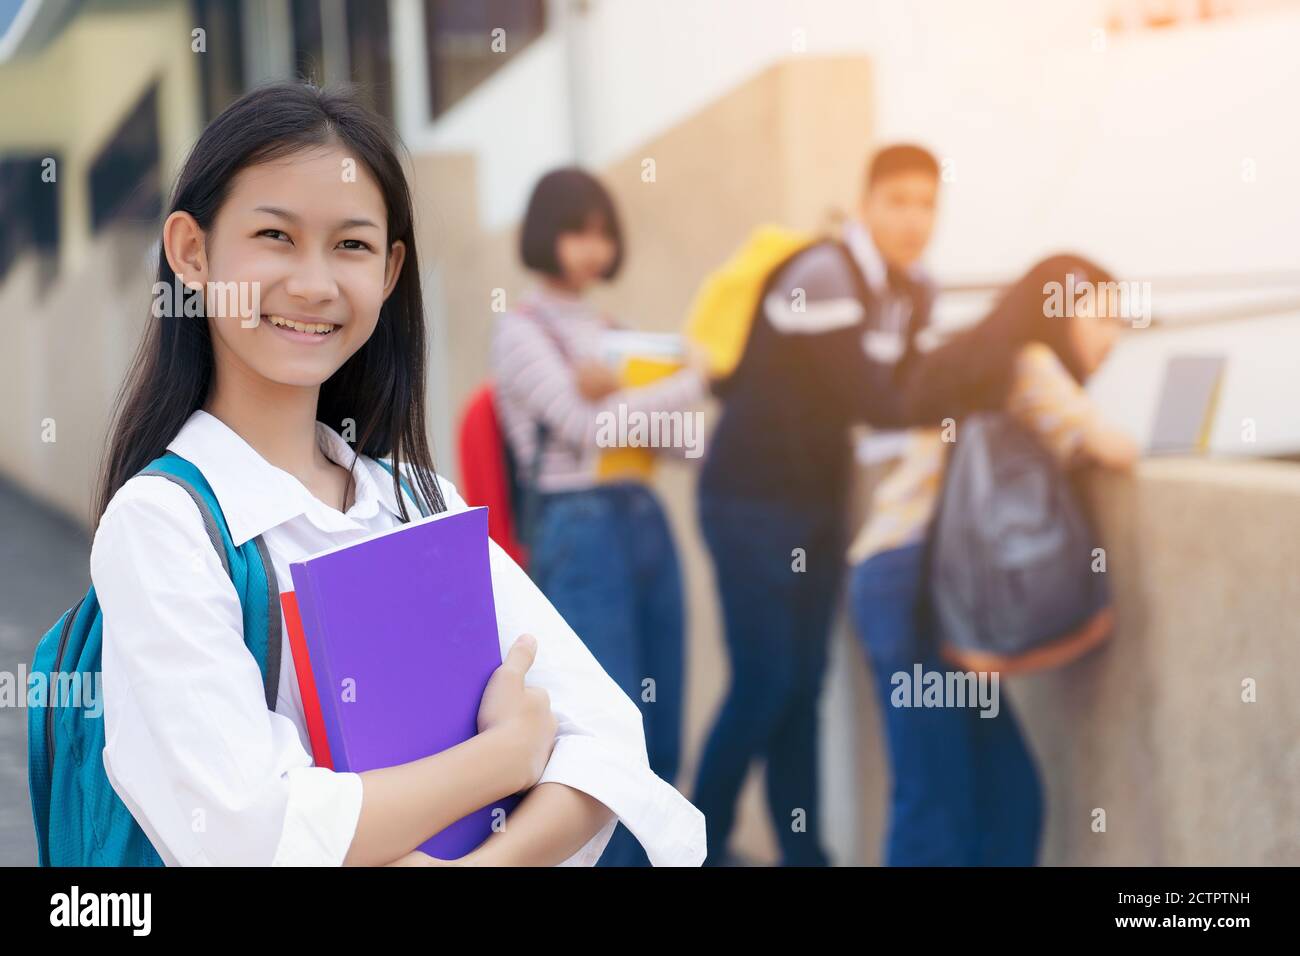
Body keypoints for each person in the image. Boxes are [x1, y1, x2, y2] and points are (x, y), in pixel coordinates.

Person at [89, 84, 705, 867]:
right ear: (191, 253)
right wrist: (504, 757)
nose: (314, 283)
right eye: (276, 235)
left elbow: (607, 743)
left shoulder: (417, 500)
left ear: (390, 271)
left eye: (350, 245)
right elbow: (253, 834)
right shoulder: (161, 526)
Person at [692, 144, 942, 865]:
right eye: (898, 201)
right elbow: (882, 399)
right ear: (866, 205)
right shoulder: (826, 274)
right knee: (766, 683)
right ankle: (691, 844)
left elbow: (911, 390)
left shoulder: (914, 289)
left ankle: (804, 854)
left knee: (806, 688)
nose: (914, 219)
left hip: (818, 508)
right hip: (749, 503)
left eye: (928, 204)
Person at [850, 253, 1140, 866]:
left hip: (905, 578)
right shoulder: (1029, 362)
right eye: (1102, 317)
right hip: (914, 582)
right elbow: (1109, 446)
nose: (1112, 336)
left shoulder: (987, 362)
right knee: (938, 804)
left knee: (1009, 798)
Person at [491, 167, 708, 866]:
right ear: (545, 235)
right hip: (579, 525)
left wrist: (641, 392)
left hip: (642, 515)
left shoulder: (615, 333)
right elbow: (584, 427)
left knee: (664, 719)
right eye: (577, 230)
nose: (591, 247)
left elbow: (685, 441)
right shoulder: (520, 330)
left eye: (602, 233)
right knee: (608, 741)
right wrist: (687, 383)